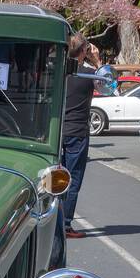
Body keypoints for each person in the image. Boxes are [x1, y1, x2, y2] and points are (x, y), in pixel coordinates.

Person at [57, 34, 99, 253]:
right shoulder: (89, 74)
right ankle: (65, 225)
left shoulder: (59, 72)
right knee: (73, 180)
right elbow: (109, 85)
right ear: (84, 51)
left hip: (58, 131)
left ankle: (54, 222)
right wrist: (97, 60)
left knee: (54, 179)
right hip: (78, 132)